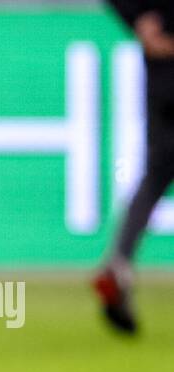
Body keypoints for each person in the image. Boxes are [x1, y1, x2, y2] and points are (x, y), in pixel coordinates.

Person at [95, 1, 174, 333]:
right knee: (155, 174)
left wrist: (142, 21)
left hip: (161, 75)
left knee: (154, 176)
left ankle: (120, 262)